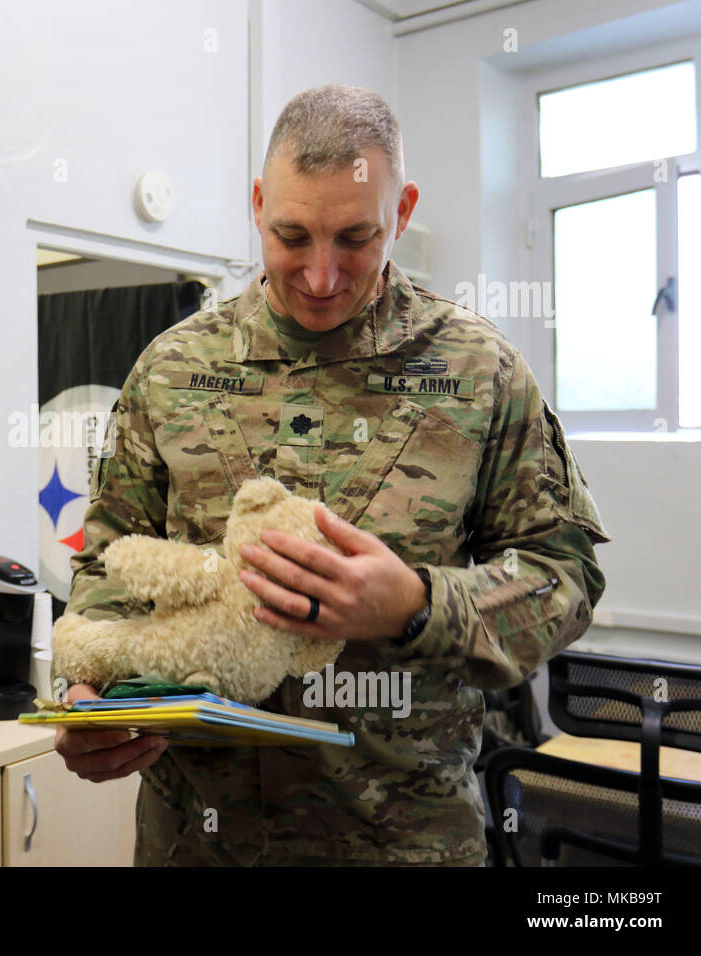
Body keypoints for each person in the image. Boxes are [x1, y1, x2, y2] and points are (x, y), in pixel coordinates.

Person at [53, 84, 609, 866]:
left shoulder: (478, 372)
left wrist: (417, 604)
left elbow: (566, 575)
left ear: (402, 211)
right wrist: (89, 701)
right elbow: (108, 563)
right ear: (255, 205)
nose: (320, 276)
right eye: (291, 236)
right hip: (200, 841)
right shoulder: (173, 368)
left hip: (404, 841)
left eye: (355, 238)